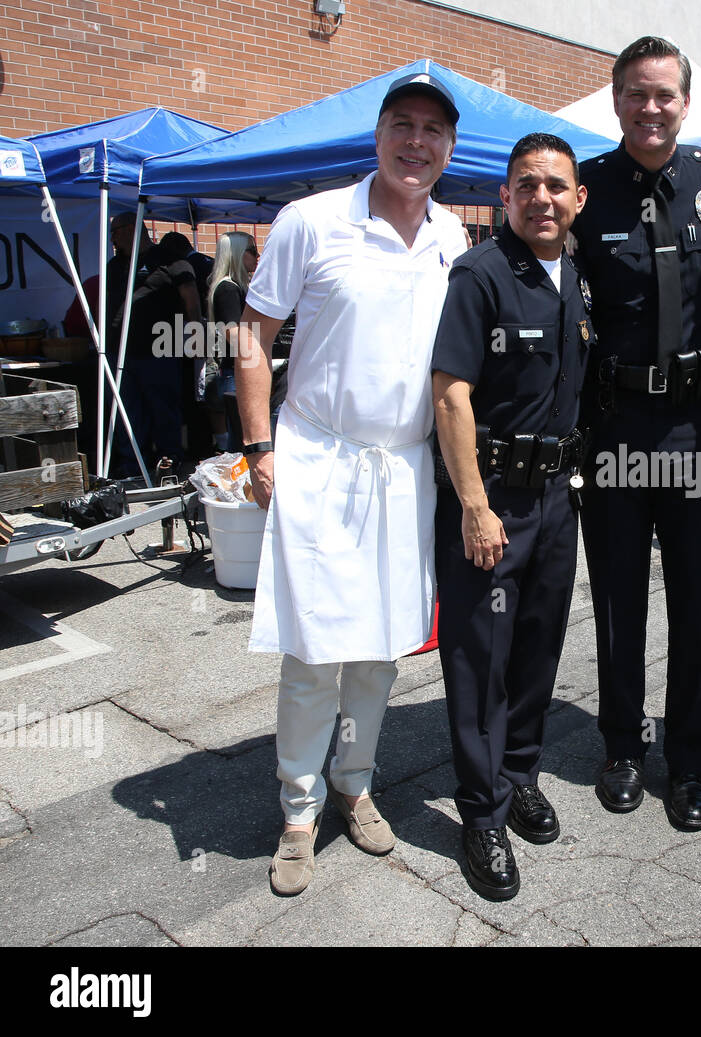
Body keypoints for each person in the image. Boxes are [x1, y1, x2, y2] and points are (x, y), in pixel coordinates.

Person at [235, 71, 467, 896]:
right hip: (318, 457)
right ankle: (298, 811)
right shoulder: (311, 221)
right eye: (402, 125)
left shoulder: (452, 239)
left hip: (406, 468)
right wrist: (259, 447)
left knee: (378, 649)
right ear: (377, 136)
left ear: (448, 147)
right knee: (311, 652)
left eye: (433, 131)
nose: (417, 142)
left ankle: (354, 783)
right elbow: (252, 336)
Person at [571, 36, 701, 829]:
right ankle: (621, 745)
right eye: (637, 95)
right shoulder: (586, 189)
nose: (652, 109)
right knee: (617, 597)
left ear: (687, 102)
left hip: (696, 425)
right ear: (617, 101)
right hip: (616, 425)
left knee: (693, 597)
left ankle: (689, 761)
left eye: (666, 95)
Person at [432, 133, 591, 901]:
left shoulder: (577, 277)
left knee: (537, 650)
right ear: (504, 197)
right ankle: (481, 814)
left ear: (577, 198)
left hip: (557, 499)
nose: (542, 198)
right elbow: (450, 394)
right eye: (526, 184)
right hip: (492, 499)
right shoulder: (480, 274)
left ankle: (520, 773)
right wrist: (473, 505)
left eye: (556, 186)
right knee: (479, 662)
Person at [110, 242, 200, 477]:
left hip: (160, 348)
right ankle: (133, 464)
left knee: (163, 408)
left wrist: (196, 332)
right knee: (128, 411)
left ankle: (170, 461)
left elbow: (191, 298)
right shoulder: (115, 264)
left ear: (131, 230)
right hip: (121, 350)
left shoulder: (168, 259)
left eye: (117, 232)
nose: (113, 239)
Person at [205, 231, 259, 451]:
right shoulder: (228, 289)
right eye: (252, 251)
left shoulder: (233, 286)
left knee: (243, 437)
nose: (257, 256)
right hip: (238, 372)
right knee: (243, 440)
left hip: (238, 370)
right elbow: (233, 333)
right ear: (237, 253)